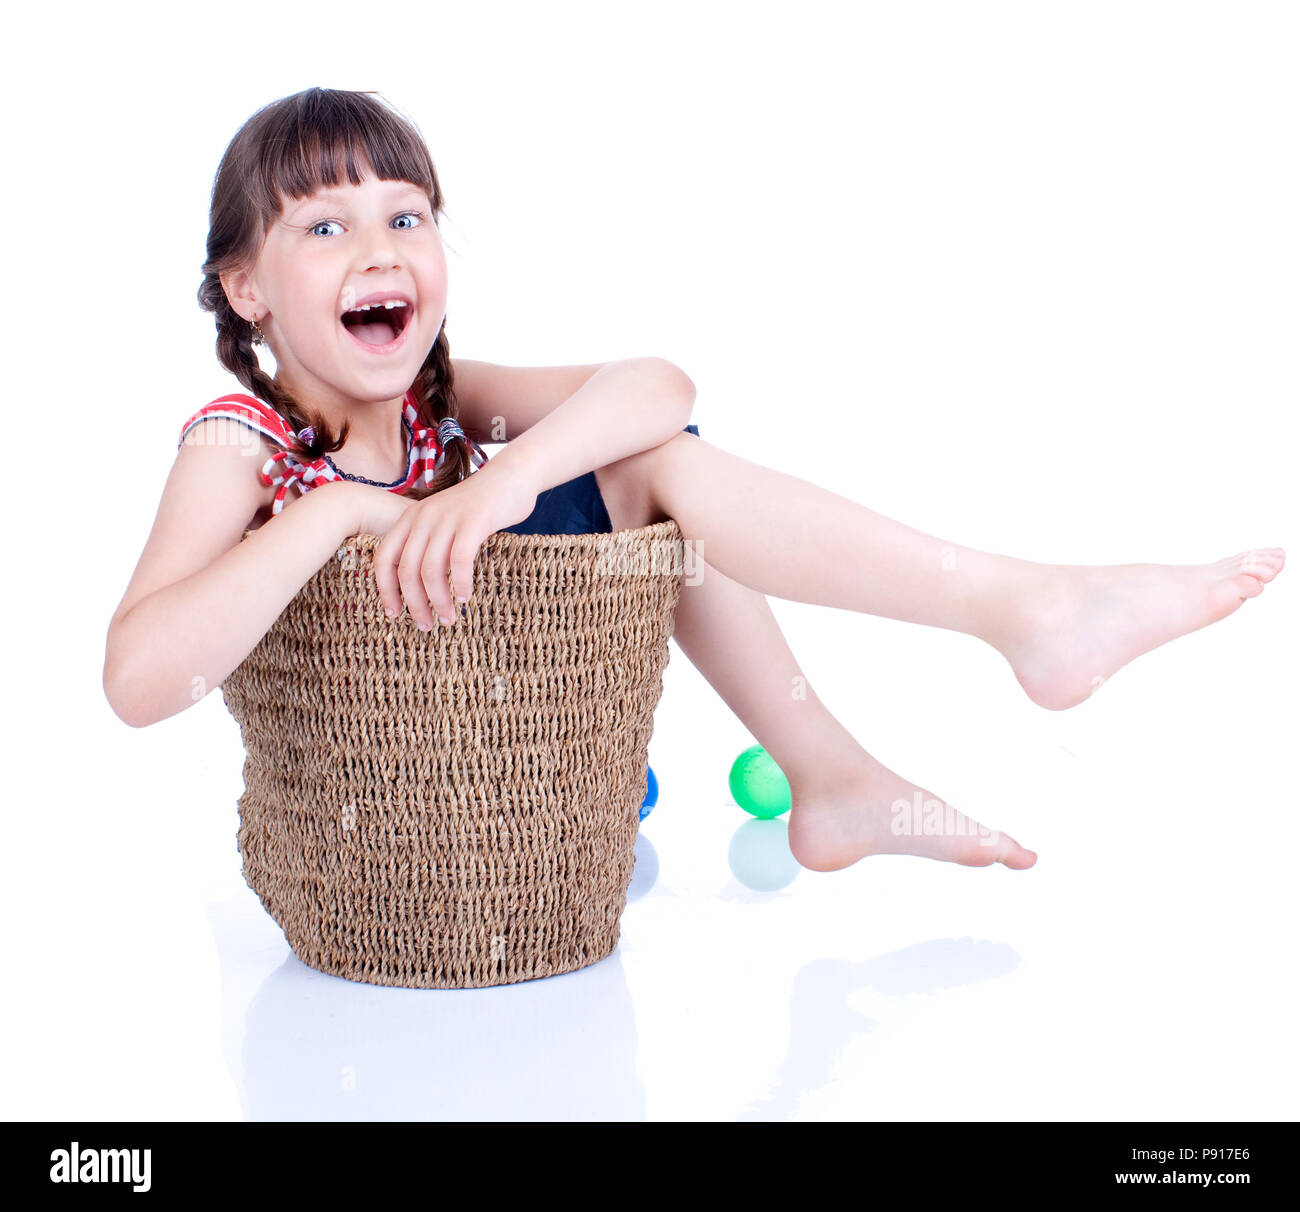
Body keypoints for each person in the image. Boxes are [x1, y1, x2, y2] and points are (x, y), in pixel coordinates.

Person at [103, 87, 1285, 877]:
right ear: (246, 289)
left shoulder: (442, 399)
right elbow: (141, 682)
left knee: (653, 458)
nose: (379, 251)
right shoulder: (240, 442)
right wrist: (347, 509)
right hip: (387, 798)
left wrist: (499, 485)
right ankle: (978, 652)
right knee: (657, 474)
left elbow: (657, 383)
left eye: (407, 217)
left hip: (507, 717)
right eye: (322, 228)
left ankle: (858, 752)